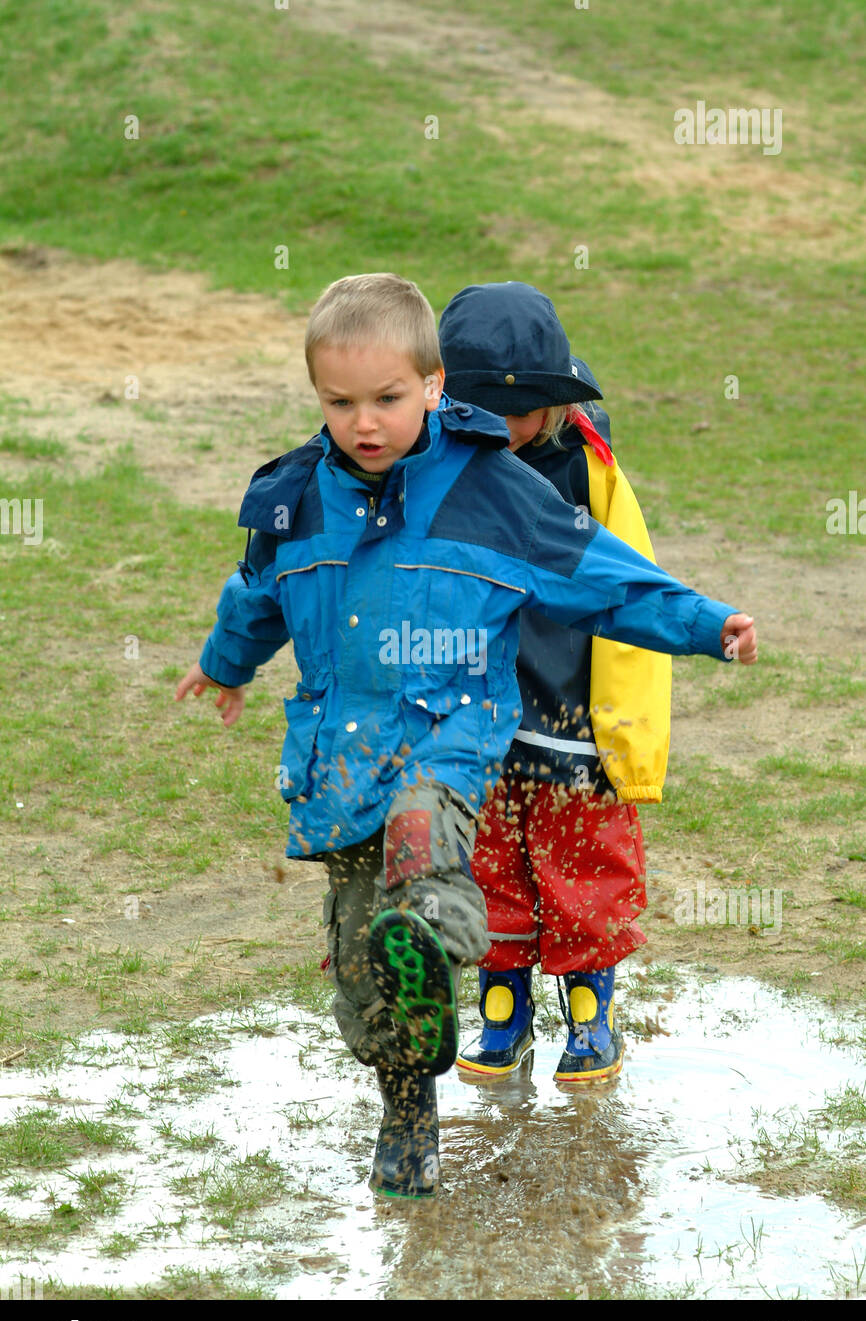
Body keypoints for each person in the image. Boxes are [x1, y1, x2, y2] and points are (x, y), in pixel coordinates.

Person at [174, 272, 757, 1200]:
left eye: (389, 399)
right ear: (317, 394)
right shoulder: (295, 499)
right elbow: (255, 598)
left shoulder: (491, 490)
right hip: (338, 763)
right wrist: (225, 663)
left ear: (437, 387)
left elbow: (601, 574)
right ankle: (407, 1112)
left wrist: (705, 622)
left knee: (427, 852)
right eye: (341, 401)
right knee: (365, 966)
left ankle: (437, 938)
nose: (365, 421)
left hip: (447, 745)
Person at [439, 280, 668, 1085]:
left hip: (573, 718)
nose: (499, 429)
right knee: (488, 863)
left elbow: (635, 591)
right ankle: (502, 1010)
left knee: (583, 869)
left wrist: (629, 737)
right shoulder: (434, 466)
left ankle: (589, 1012)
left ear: (552, 404)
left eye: (519, 410)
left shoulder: (588, 473)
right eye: (477, 409)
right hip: (478, 717)